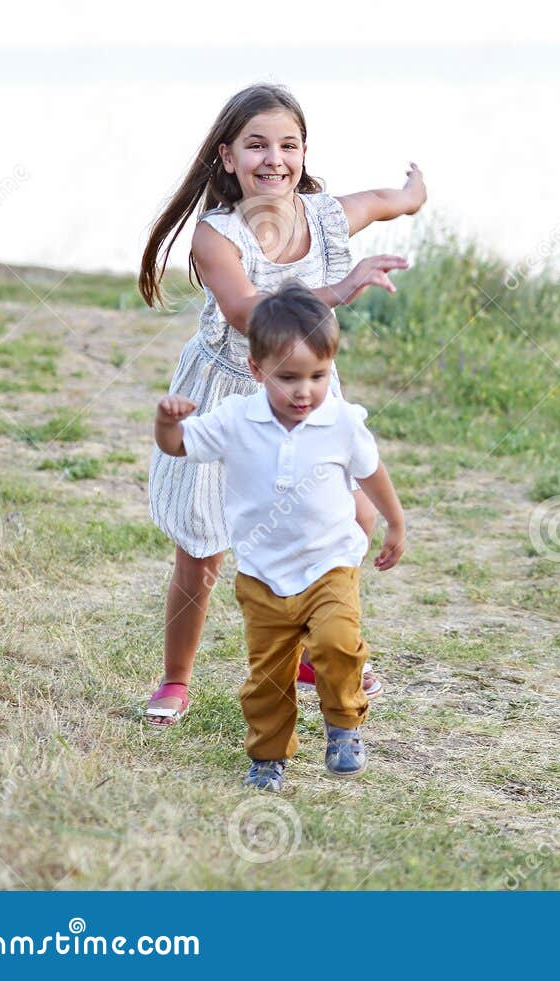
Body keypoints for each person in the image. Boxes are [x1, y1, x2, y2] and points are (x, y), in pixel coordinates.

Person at [138, 83, 424, 725]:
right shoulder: (216, 235)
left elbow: (384, 202)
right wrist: (338, 289)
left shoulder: (323, 217)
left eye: (289, 145)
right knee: (202, 547)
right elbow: (247, 312)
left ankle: (305, 650)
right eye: (257, 145)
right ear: (227, 156)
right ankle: (175, 679)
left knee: (351, 520)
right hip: (227, 392)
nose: (274, 159)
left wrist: (412, 192)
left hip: (306, 395)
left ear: (304, 153)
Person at [154, 282, 406, 790]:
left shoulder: (341, 422)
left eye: (318, 376)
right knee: (268, 678)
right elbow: (178, 446)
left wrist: (395, 523)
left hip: (329, 567)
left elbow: (372, 472)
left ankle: (344, 725)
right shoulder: (235, 420)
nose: (304, 391)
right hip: (263, 575)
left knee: (338, 644)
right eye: (288, 377)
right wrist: (165, 422)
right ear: (257, 370)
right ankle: (268, 758)